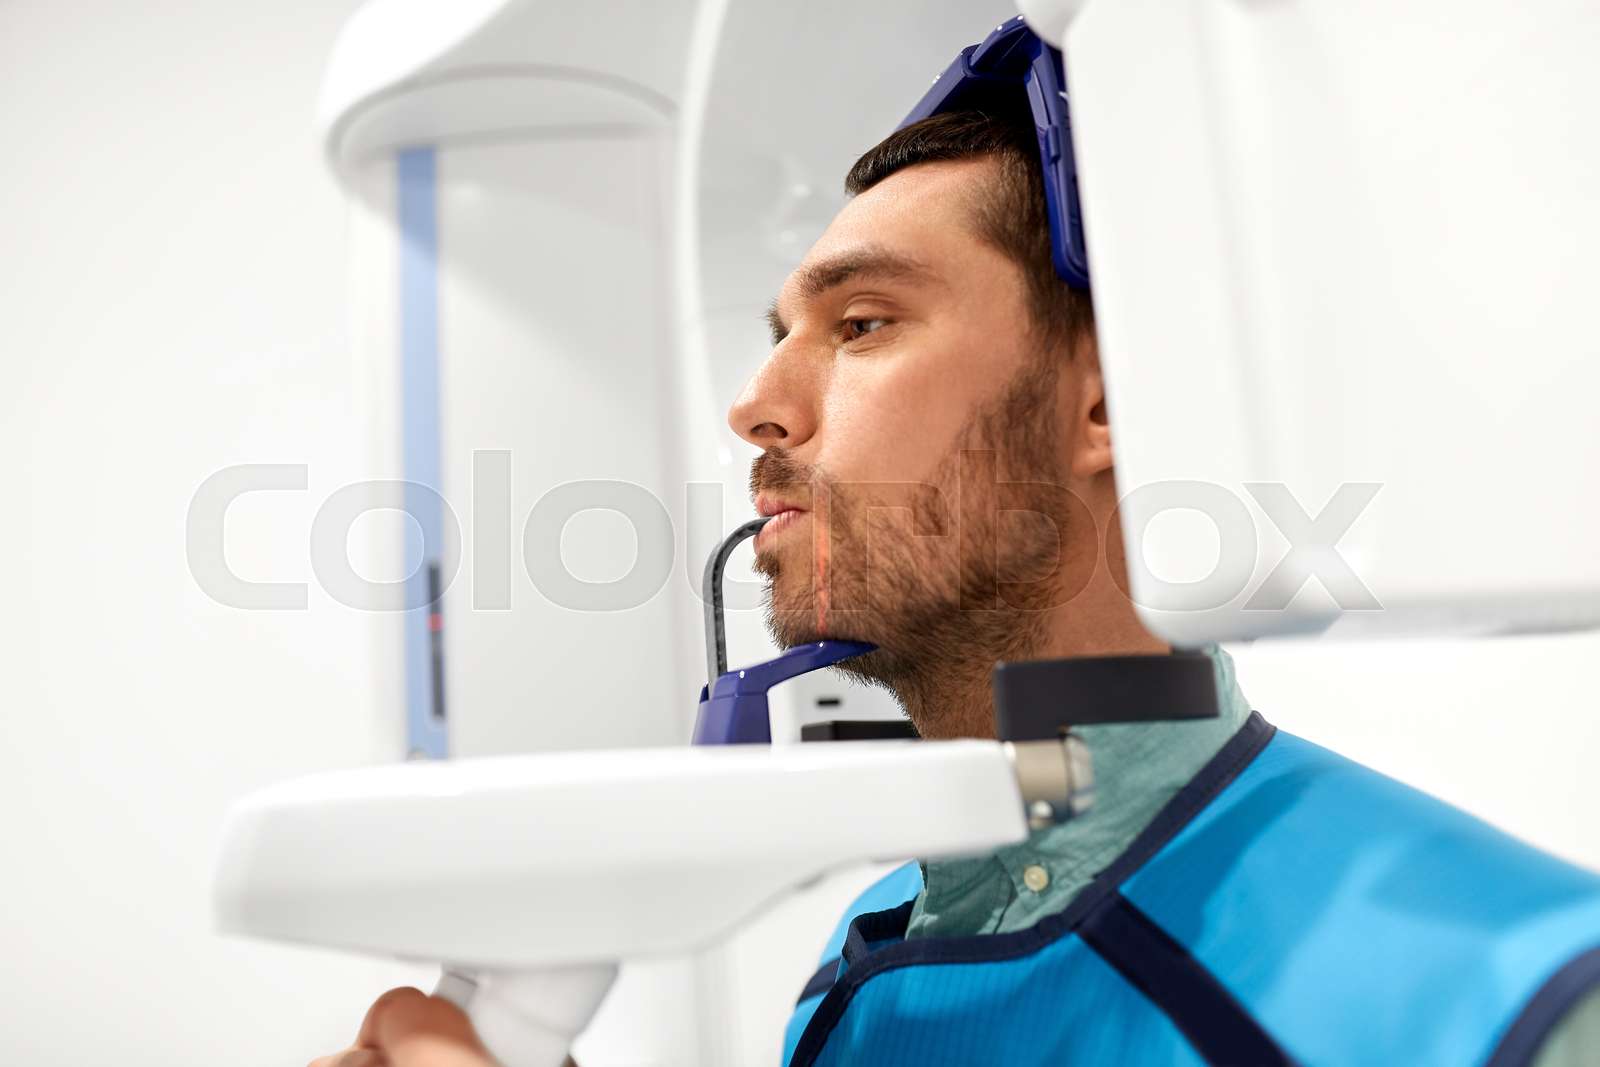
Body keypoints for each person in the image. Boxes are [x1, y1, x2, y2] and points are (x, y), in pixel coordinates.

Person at [312, 103, 1600, 1067]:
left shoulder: (1521, 995)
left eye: (861, 324)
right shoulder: (864, 966)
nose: (755, 407)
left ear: (1104, 396)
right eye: (777, 343)